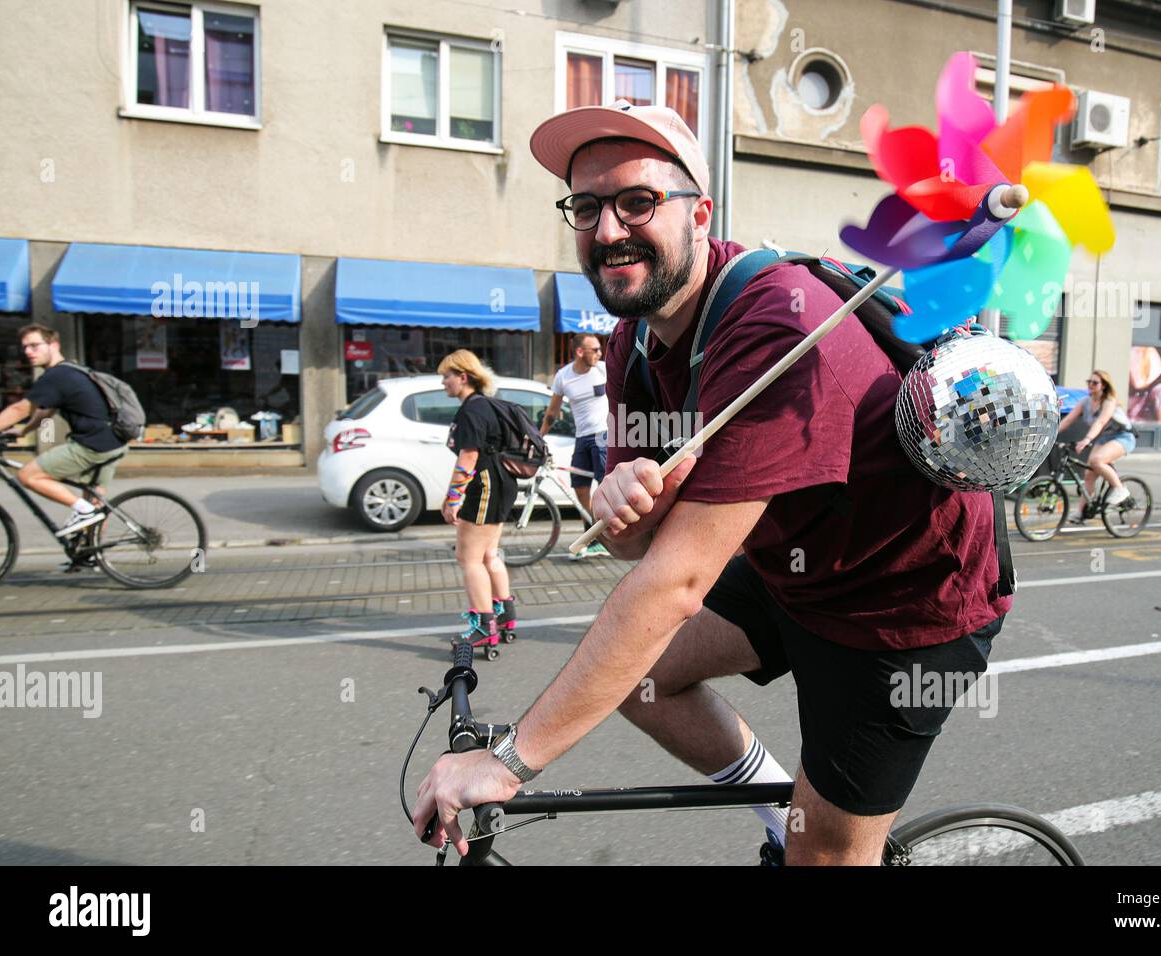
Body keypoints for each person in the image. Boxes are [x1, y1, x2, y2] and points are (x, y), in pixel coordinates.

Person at [411, 100, 1011, 866]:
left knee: (823, 855)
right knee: (640, 676)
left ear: (701, 213)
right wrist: (619, 509)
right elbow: (644, 551)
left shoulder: (774, 323)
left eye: (638, 201)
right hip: (795, 567)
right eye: (586, 206)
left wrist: (509, 762)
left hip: (903, 602)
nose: (607, 230)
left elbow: (677, 582)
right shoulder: (634, 338)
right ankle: (778, 811)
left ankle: (815, 839)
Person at [0, 325, 127, 537]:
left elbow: (19, 408)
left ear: (54, 345)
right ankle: (92, 555)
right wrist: (23, 432)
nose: (29, 352)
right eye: (25, 347)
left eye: (34, 345)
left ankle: (85, 512)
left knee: (28, 476)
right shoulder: (70, 370)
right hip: (113, 440)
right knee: (95, 502)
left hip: (92, 445)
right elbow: (46, 411)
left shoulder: (56, 376)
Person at [436, 350, 518, 646]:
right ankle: (504, 615)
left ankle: (485, 627)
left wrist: (452, 500)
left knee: (468, 558)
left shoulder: (471, 410)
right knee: (489, 555)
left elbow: (468, 457)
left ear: (463, 377)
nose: (443, 382)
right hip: (500, 483)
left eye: (446, 376)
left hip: (484, 486)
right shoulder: (486, 405)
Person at [541, 333, 610, 560]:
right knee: (580, 488)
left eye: (600, 349)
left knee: (602, 488)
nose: (600, 354)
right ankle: (593, 536)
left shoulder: (603, 369)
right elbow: (552, 412)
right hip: (582, 438)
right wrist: (539, 436)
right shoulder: (564, 377)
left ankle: (604, 539)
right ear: (580, 352)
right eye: (595, 350)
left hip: (603, 435)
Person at [1056, 370, 1135, 522]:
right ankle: (1081, 513)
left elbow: (1101, 422)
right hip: (1103, 438)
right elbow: (1068, 420)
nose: (1091, 385)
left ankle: (1120, 489)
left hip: (1122, 437)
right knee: (1089, 476)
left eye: (1095, 382)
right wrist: (1052, 434)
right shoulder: (1085, 402)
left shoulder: (1109, 401)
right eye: (1089, 382)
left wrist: (1086, 440)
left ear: (1104, 386)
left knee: (1097, 461)